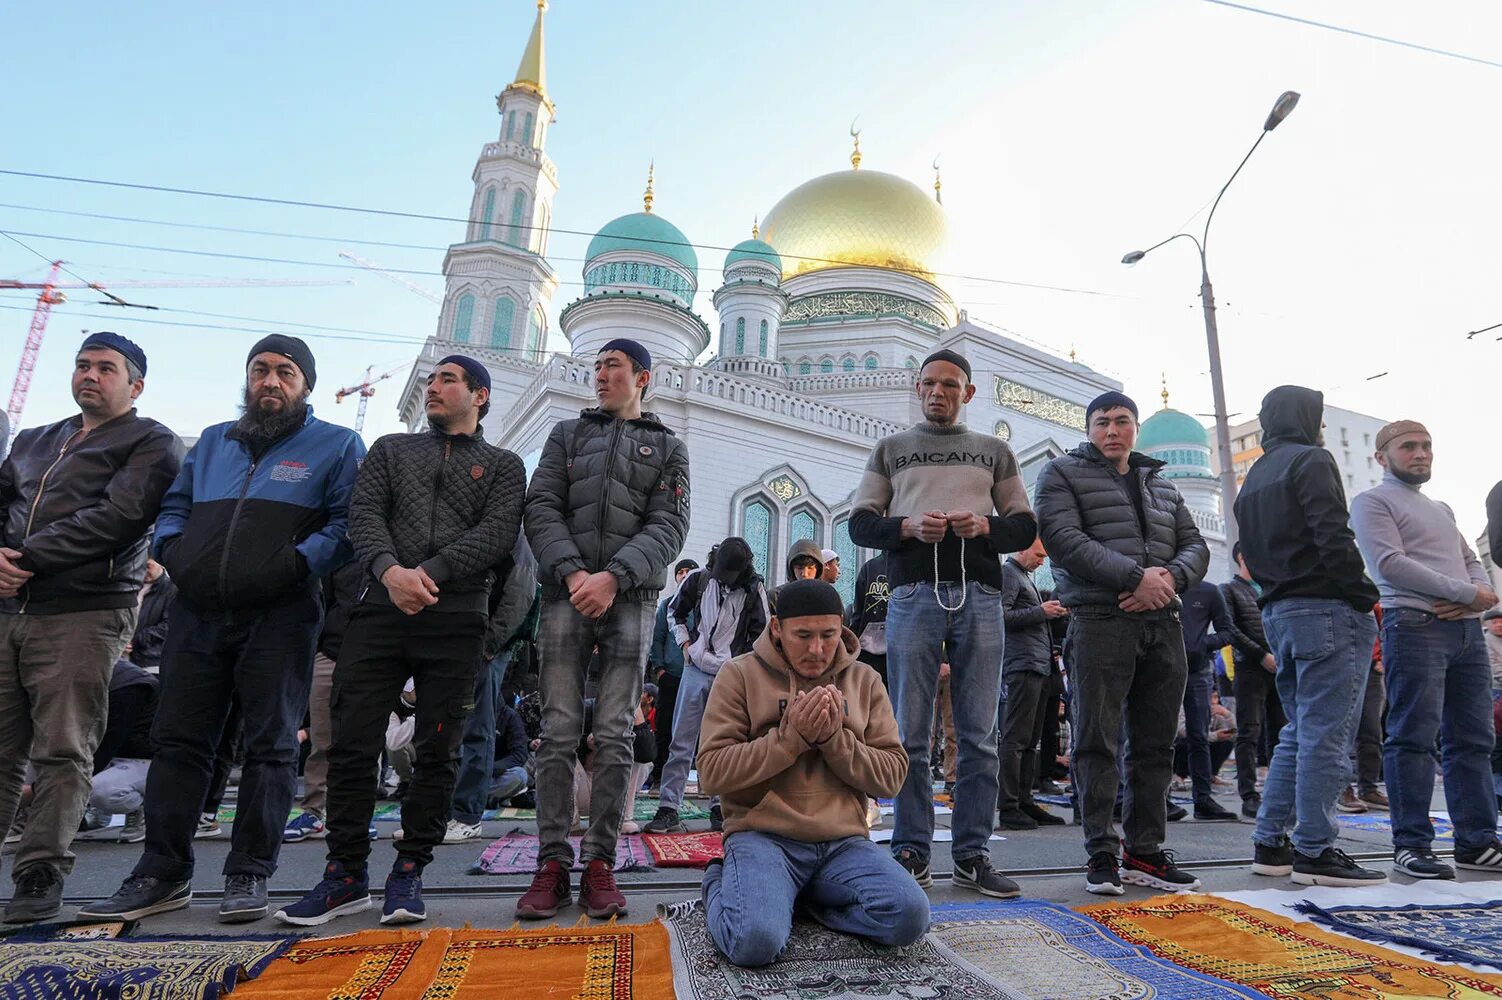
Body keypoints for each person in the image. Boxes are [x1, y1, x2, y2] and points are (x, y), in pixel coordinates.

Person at [83, 334, 365, 923]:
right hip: (199, 611)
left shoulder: (336, 445)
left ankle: (248, 873)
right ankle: (161, 871)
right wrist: (179, 555)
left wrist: (292, 564)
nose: (270, 381)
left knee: (271, 745)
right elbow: (173, 509)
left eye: (285, 372)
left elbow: (345, 524)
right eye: (260, 369)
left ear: (304, 385)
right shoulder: (213, 442)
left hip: (282, 614)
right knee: (179, 742)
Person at [274, 354, 525, 927]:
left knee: (438, 750)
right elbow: (364, 518)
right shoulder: (390, 450)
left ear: (480, 396)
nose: (432, 387)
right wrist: (391, 574)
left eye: (447, 380)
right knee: (353, 744)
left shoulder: (504, 465)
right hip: (379, 612)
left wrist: (425, 574)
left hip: (455, 618)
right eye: (431, 379)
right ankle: (344, 875)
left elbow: (496, 535)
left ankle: (408, 873)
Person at [0, 332, 181, 923]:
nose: (90, 376)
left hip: (85, 609)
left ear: (136, 385)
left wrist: (20, 559)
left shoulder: (150, 441)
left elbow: (117, 517)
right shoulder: (32, 441)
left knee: (62, 747)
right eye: (83, 365)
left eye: (106, 368)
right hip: (10, 609)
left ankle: (40, 871)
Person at [849, 348, 1037, 898]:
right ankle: (910, 847)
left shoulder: (993, 452)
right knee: (909, 733)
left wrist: (984, 526)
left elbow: (1023, 526)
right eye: (930, 383)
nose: (939, 392)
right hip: (911, 595)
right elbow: (862, 523)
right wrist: (907, 527)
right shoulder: (892, 450)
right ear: (916, 387)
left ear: (968, 394)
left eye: (950, 385)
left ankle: (973, 852)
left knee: (978, 733)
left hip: (981, 596)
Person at [517, 339, 690, 921]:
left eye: (612, 366)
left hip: (630, 599)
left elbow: (669, 524)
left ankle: (599, 863)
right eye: (595, 366)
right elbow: (540, 507)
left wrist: (613, 577)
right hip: (566, 597)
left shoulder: (667, 446)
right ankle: (550, 863)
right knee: (559, 731)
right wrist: (572, 575)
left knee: (616, 733)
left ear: (643, 376)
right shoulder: (567, 435)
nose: (599, 376)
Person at [697, 579, 927, 967]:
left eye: (828, 635)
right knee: (753, 942)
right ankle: (721, 882)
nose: (817, 649)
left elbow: (891, 777)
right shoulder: (739, 675)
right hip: (764, 837)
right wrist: (789, 741)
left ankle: (798, 902)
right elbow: (712, 773)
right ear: (777, 629)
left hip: (842, 843)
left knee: (909, 916)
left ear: (843, 627)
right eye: (802, 635)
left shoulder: (865, 681)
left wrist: (836, 741)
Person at [1034, 390, 1208, 896]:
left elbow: (1194, 546)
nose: (1112, 430)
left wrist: (1166, 582)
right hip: (1098, 621)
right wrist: (1135, 578)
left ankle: (1145, 852)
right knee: (1096, 742)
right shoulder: (1062, 474)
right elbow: (1065, 539)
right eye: (1102, 422)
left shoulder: (1164, 487)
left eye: (1122, 421)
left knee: (1155, 744)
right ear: (1089, 429)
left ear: (1136, 429)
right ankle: (1102, 854)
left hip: (1161, 623)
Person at [1234, 385, 1384, 887]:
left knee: (1298, 732)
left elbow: (1248, 551)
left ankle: (1271, 840)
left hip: (1280, 610)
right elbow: (1333, 533)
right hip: (1326, 605)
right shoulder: (1311, 460)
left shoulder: (1255, 474)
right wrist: (1362, 594)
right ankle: (1316, 849)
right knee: (1327, 733)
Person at [1351, 420, 1502, 879]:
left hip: (1464, 632)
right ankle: (1411, 845)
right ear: (1382, 457)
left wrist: (1476, 594)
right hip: (1414, 625)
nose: (1421, 453)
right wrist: (1467, 594)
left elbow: (1472, 561)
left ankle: (1476, 842)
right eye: (1408, 446)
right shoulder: (1371, 501)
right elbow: (1389, 564)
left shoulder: (1440, 507)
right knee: (1413, 739)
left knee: (1474, 740)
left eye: (1427, 446)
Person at [647, 538, 769, 835]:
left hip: (731, 674)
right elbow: (673, 612)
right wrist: (686, 644)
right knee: (681, 741)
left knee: (725, 743)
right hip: (696, 668)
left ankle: (720, 807)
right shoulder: (698, 580)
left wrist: (742, 664)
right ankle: (668, 808)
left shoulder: (755, 590)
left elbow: (762, 633)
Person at [447, 529, 538, 843]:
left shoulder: (512, 532)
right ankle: (437, 811)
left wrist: (491, 644)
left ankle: (465, 814)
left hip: (487, 643)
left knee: (477, 728)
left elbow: (521, 591)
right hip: (451, 637)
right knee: (443, 728)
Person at [283, 560, 370, 843]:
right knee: (321, 738)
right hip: (331, 649)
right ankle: (313, 809)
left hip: (372, 652)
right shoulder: (343, 554)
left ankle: (359, 812)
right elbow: (324, 598)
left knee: (364, 741)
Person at [997, 539, 1069, 830]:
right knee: (1016, 738)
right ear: (1022, 548)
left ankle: (1024, 800)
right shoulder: (1009, 574)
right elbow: (1001, 615)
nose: (1041, 561)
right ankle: (1010, 804)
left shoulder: (1022, 577)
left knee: (1030, 740)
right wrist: (1042, 612)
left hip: (1036, 666)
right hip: (1022, 665)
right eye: (1038, 555)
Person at [1220, 542, 1285, 819]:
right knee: (1249, 731)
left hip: (1279, 667)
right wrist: (1261, 655)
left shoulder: (1271, 589)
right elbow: (1230, 630)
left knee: (1280, 732)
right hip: (1250, 668)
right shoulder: (1229, 590)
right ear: (1242, 557)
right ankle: (1249, 794)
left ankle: (1278, 792)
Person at [78, 659, 160, 845]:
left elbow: (109, 741)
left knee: (101, 790)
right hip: (112, 753)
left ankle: (143, 808)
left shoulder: (130, 686)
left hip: (141, 757)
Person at [1177, 580, 1238, 821]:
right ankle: (1157, 799)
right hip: (1161, 667)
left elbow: (1228, 631)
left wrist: (1200, 644)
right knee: (1155, 737)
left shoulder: (1208, 591)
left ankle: (1202, 798)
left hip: (1198, 670)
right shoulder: (1157, 581)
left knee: (1199, 736)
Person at [648, 559, 699, 788]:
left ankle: (697, 777)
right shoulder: (668, 604)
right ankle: (659, 776)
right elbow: (657, 638)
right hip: (671, 676)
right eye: (681, 572)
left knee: (697, 728)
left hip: (697, 676)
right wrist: (659, 669)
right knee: (665, 726)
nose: (684, 576)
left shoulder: (702, 606)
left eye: (690, 572)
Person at [846, 552, 891, 684]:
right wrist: (851, 647)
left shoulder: (911, 566)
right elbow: (858, 611)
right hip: (868, 650)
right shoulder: (870, 567)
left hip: (900, 650)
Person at [128, 559, 177, 671]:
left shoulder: (172, 589)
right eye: (139, 565)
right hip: (123, 656)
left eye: (148, 566)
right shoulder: (131, 584)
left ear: (160, 563)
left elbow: (168, 625)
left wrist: (136, 640)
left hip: (151, 660)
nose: (143, 571)